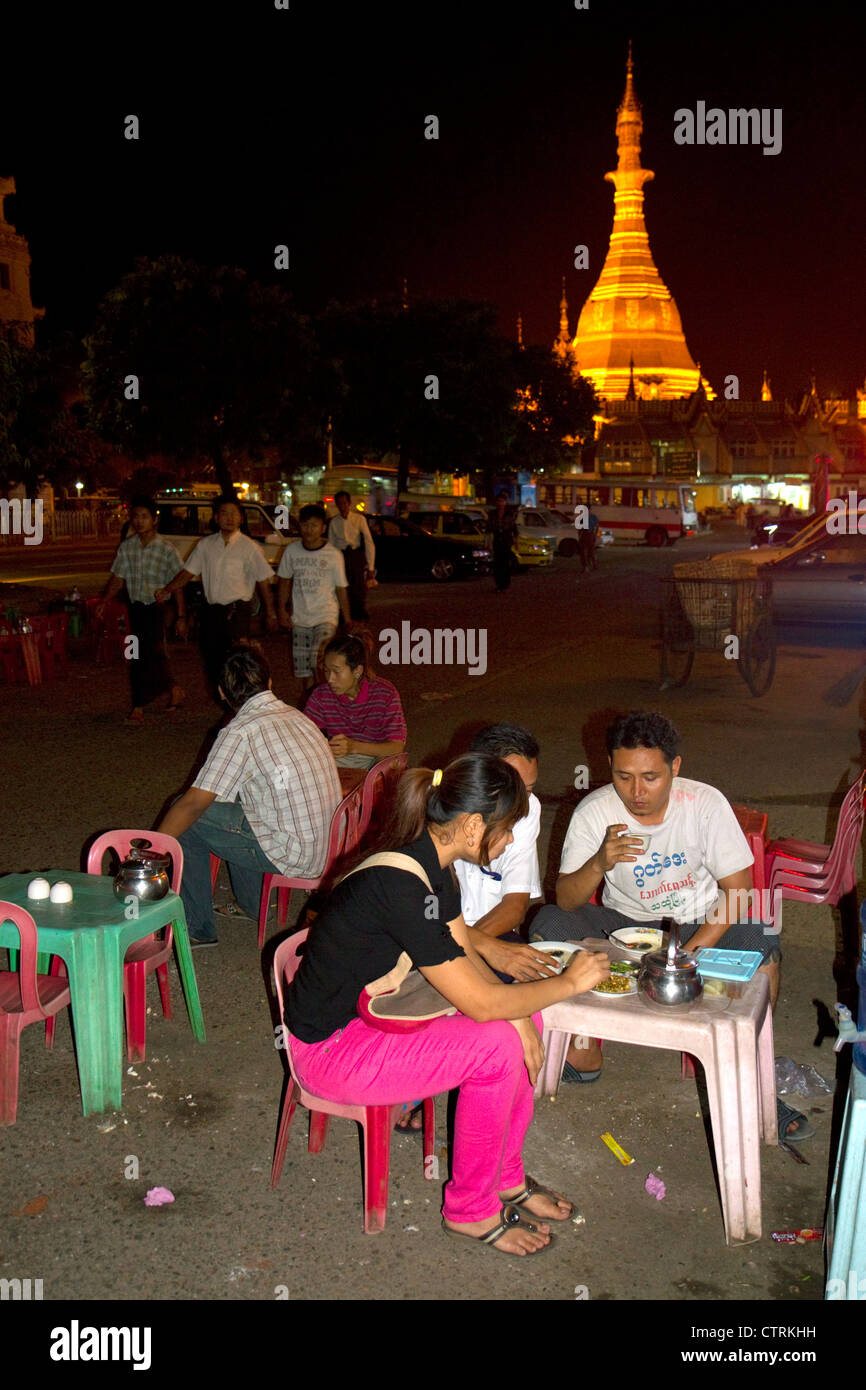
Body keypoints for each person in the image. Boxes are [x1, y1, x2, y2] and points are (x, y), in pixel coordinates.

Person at [284, 755, 611, 1254]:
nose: (505, 846)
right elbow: (480, 1004)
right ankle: (469, 1211)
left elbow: (460, 946)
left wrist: (523, 1016)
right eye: (505, 833)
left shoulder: (433, 866)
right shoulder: (401, 885)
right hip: (332, 1050)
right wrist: (571, 982)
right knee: (498, 1046)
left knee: (526, 1016)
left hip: (370, 1011)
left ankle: (506, 1177)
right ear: (474, 825)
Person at [531, 712, 807, 1141]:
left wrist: (688, 955)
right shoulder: (594, 811)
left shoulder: (704, 804)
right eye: (623, 777)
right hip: (621, 926)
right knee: (548, 922)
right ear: (609, 766)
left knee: (762, 937)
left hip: (695, 923)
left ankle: (753, 1076)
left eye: (651, 777)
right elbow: (566, 899)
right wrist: (599, 863)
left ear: (675, 767)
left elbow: (738, 891)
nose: (637, 792)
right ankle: (581, 1051)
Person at [157, 646, 341, 946]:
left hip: (295, 854)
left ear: (221, 693)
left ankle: (197, 927)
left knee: (186, 816)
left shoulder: (240, 731)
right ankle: (252, 904)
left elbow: (192, 804)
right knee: (238, 804)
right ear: (269, 683)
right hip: (329, 846)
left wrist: (152, 851)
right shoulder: (296, 716)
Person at [454, 724, 556, 983]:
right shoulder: (445, 815)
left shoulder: (527, 810)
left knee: (534, 976)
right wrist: (465, 955)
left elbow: (515, 904)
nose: (521, 802)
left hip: (488, 932)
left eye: (529, 789)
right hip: (433, 938)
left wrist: (473, 949)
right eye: (512, 787)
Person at [155, 496, 278, 698]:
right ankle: (226, 698)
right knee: (212, 657)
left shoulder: (250, 547)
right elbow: (187, 572)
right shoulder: (205, 545)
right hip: (212, 610)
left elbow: (263, 581)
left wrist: (271, 613)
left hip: (238, 611)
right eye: (224, 513)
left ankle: (242, 699)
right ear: (215, 518)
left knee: (237, 658)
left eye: (234, 513)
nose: (229, 518)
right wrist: (168, 589)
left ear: (241, 518)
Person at [95, 495, 186, 725]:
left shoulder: (166, 549)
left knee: (145, 654)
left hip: (156, 609)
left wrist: (181, 615)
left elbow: (179, 583)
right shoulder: (127, 548)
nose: (139, 521)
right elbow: (118, 577)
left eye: (144, 516)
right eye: (136, 516)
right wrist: (105, 601)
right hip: (135, 609)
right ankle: (173, 688)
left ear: (154, 519)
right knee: (138, 653)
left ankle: (138, 706)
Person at [303, 632, 406, 770]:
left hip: (375, 756)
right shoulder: (321, 696)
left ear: (357, 670)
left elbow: (397, 746)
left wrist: (353, 747)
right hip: (339, 760)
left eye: (336, 671)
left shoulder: (385, 693)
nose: (330, 679)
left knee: (390, 764)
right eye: (326, 671)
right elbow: (304, 737)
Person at [278, 504, 350, 693]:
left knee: (319, 661)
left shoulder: (333, 554)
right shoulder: (291, 551)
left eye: (314, 525)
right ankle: (312, 707)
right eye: (305, 525)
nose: (309, 530)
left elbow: (341, 588)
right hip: (300, 618)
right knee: (304, 670)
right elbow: (284, 582)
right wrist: (282, 611)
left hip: (326, 615)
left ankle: (327, 703)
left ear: (323, 528)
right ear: (299, 526)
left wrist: (347, 619)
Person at [327, 491, 376, 621]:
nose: (342, 507)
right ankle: (344, 613)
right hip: (341, 555)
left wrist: (370, 566)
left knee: (358, 585)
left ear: (349, 503)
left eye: (344, 503)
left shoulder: (359, 519)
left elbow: (368, 541)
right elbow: (331, 545)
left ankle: (359, 612)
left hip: (355, 554)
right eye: (339, 504)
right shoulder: (334, 522)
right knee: (343, 585)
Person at [488, 490, 517, 594]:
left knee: (505, 562)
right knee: (497, 563)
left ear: (505, 502)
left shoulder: (509, 514)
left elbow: (513, 528)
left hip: (506, 539)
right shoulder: (493, 514)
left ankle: (505, 584)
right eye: (498, 501)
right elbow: (489, 528)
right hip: (497, 538)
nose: (500, 503)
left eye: (502, 501)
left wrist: (515, 540)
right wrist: (488, 542)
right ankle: (499, 584)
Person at [578, 506, 599, 573]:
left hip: (589, 535)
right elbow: (580, 529)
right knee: (587, 552)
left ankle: (590, 565)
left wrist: (594, 535)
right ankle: (589, 566)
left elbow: (596, 527)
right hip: (587, 535)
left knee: (589, 552)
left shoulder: (591, 517)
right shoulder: (585, 517)